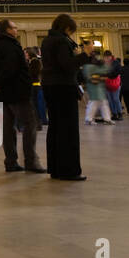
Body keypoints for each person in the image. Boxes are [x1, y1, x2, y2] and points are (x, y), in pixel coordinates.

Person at [0, 19, 43, 173]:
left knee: (8, 129)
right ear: (8, 30)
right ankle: (31, 161)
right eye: (14, 27)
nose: (17, 30)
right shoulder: (13, 46)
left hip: (2, 95)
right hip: (18, 94)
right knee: (30, 125)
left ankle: (11, 162)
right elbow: (10, 70)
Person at [40, 13, 87, 181]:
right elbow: (67, 65)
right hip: (63, 87)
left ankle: (55, 168)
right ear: (67, 28)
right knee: (68, 130)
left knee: (55, 128)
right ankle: (69, 170)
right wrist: (85, 55)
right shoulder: (61, 41)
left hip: (50, 86)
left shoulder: (46, 40)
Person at [80, 47, 114, 126]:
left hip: (99, 86)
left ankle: (107, 119)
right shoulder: (88, 66)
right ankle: (89, 119)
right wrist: (99, 77)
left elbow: (105, 70)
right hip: (93, 86)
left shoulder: (96, 65)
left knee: (103, 103)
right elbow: (89, 76)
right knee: (94, 103)